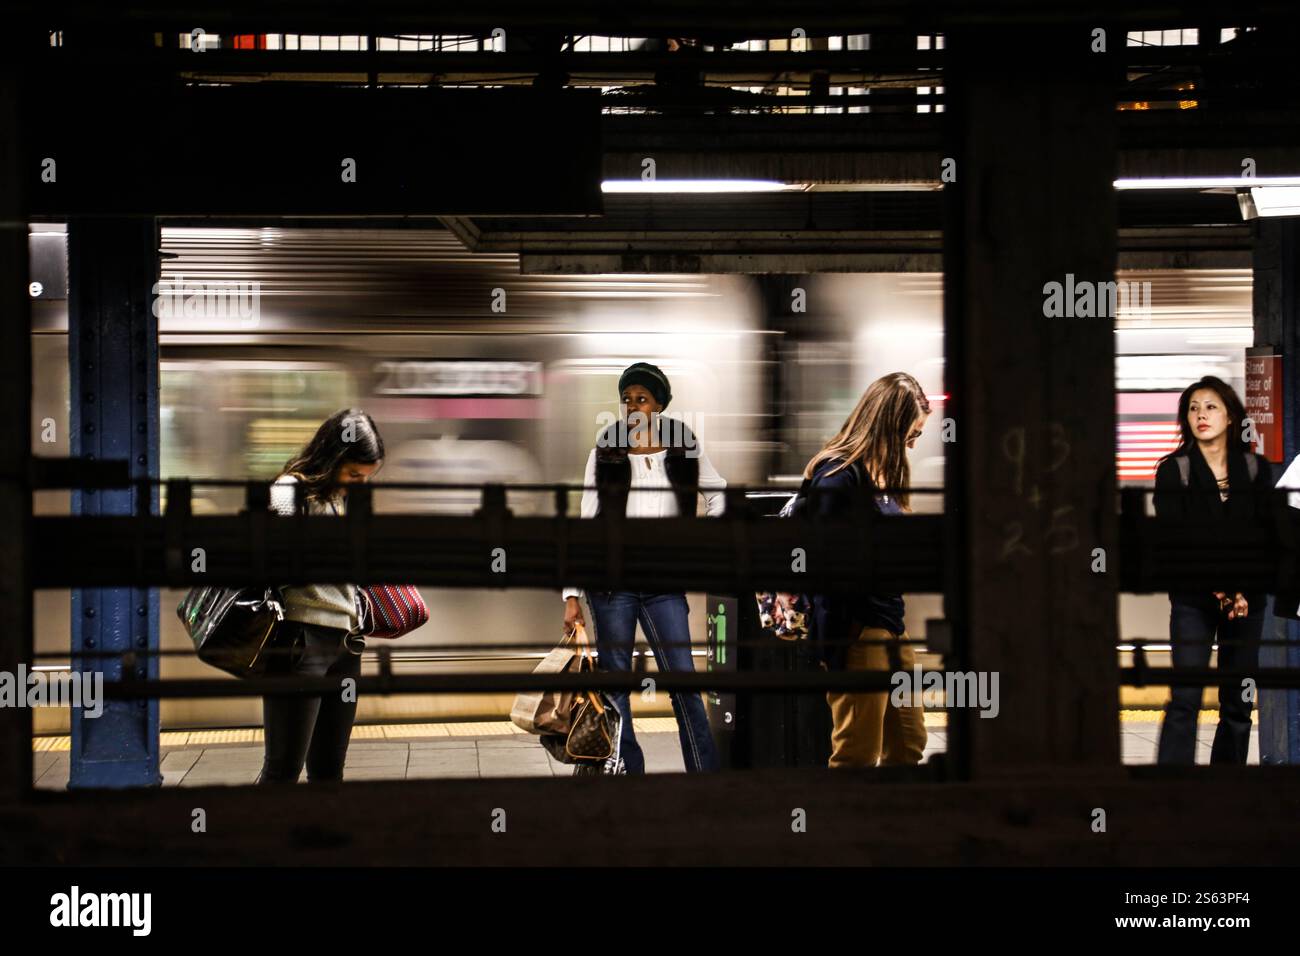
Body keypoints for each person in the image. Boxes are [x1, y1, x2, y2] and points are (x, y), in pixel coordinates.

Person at [562, 362, 724, 773]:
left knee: (684, 683)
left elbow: (718, 495)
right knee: (617, 687)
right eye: (626, 399)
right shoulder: (605, 452)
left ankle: (705, 774)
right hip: (611, 587)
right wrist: (571, 594)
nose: (633, 407)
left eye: (642, 398)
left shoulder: (685, 448)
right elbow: (586, 520)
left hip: (664, 585)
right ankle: (627, 772)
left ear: (660, 404)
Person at [806, 372, 931, 768]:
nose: (914, 442)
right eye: (912, 432)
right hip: (857, 630)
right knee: (857, 751)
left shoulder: (886, 474)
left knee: (909, 742)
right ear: (890, 424)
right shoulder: (837, 478)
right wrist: (840, 642)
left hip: (892, 624)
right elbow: (823, 563)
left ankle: (893, 824)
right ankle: (842, 826)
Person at [257, 408, 384, 784]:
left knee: (329, 769)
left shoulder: (342, 498)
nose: (359, 484)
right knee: (283, 769)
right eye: (354, 475)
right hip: (301, 644)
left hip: (346, 645)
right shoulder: (288, 490)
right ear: (333, 458)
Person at [1153, 376, 1272, 765]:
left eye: (1210, 406)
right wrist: (1222, 587)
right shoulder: (1175, 470)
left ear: (1231, 416)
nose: (1200, 415)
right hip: (1194, 598)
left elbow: (1263, 535)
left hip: (1247, 598)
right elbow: (1179, 538)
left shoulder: (1254, 470)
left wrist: (1240, 589)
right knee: (1186, 696)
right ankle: (1173, 782)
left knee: (1238, 699)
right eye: (1192, 408)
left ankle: (1227, 780)